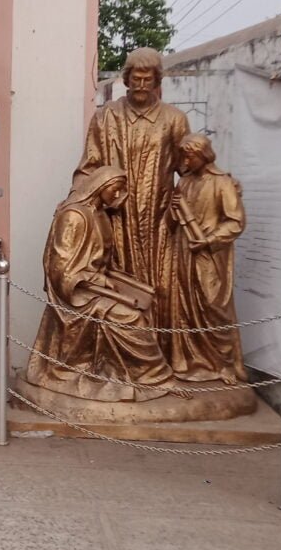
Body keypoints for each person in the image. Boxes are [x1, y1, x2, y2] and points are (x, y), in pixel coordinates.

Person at [26, 165, 173, 402]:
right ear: (100, 187)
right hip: (78, 293)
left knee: (147, 301)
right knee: (129, 317)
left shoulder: (101, 215)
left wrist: (119, 281)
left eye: (120, 191)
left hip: (96, 285)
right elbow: (60, 267)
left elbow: (102, 263)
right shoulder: (73, 216)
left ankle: (147, 374)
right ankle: (154, 376)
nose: (117, 195)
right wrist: (97, 279)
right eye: (114, 189)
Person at [76, 47, 190, 304]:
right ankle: (118, 343)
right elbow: (88, 168)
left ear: (156, 81)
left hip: (158, 222)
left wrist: (215, 184)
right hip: (116, 219)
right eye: (135, 79)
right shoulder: (106, 117)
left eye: (147, 79)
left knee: (160, 287)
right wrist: (75, 206)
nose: (140, 85)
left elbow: (189, 171)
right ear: (126, 79)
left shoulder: (175, 120)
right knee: (118, 286)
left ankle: (159, 342)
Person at [168, 133, 247, 384]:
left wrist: (209, 240)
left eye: (188, 155)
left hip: (210, 258)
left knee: (214, 308)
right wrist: (173, 210)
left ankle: (223, 364)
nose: (184, 160)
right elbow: (172, 222)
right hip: (183, 253)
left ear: (202, 155)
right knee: (185, 308)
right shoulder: (185, 183)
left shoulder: (221, 183)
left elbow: (235, 222)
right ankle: (193, 362)